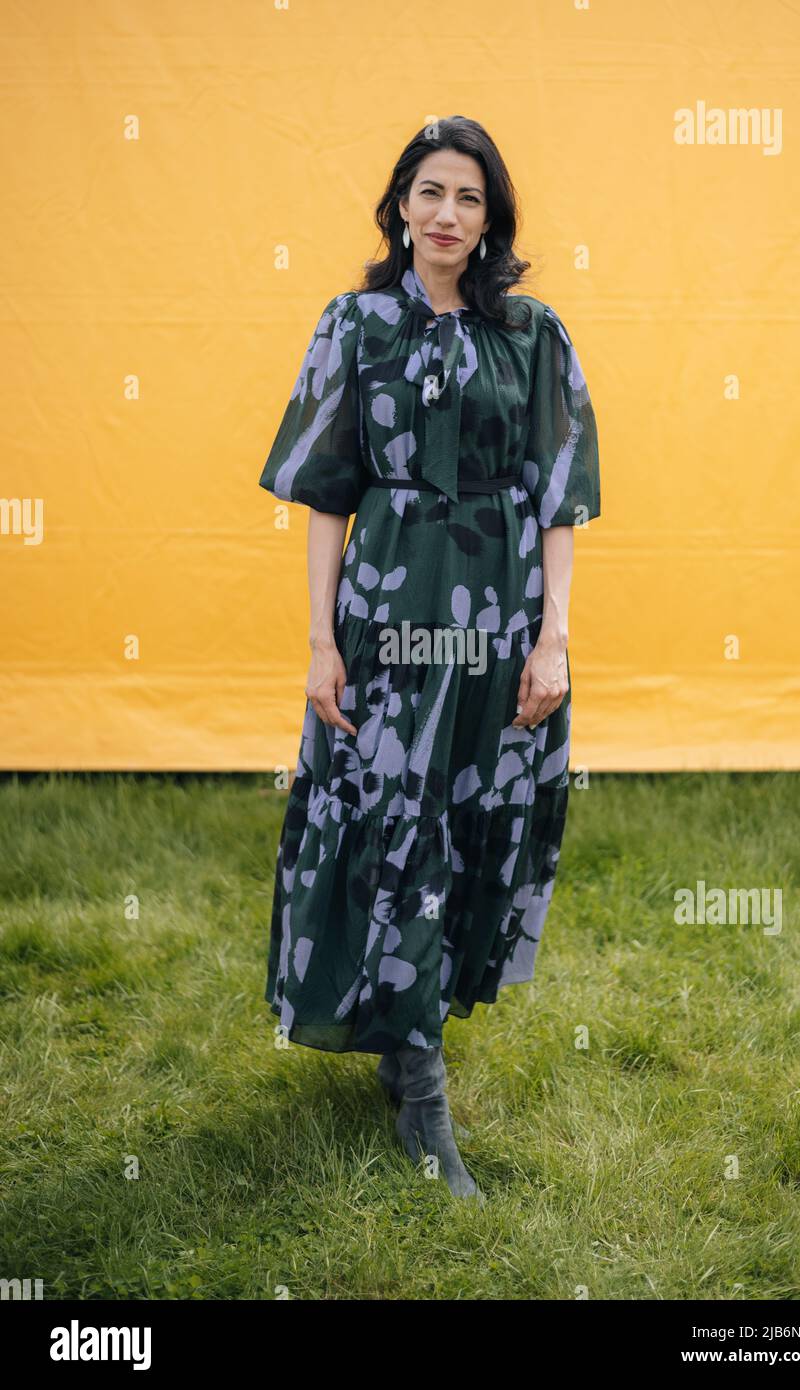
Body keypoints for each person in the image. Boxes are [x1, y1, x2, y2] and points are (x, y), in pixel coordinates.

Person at [258, 115, 600, 1203]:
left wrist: (553, 635)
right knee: (390, 818)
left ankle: (412, 1028)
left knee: (468, 819)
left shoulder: (533, 335)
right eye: (426, 192)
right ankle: (418, 1094)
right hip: (388, 611)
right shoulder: (353, 326)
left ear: (490, 214)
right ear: (398, 207)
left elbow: (559, 500)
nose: (445, 214)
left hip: (501, 618)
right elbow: (323, 495)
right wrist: (319, 642)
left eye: (466, 196)